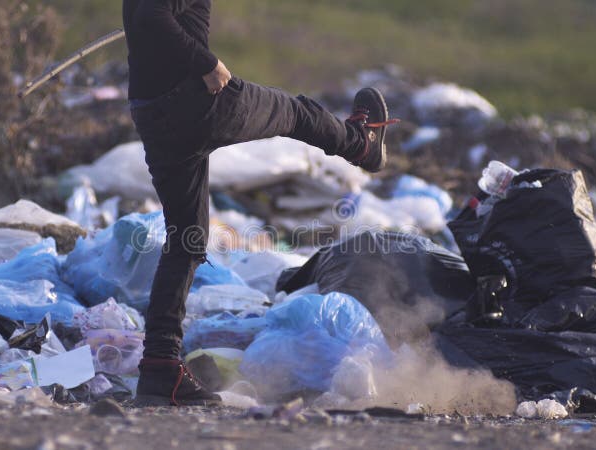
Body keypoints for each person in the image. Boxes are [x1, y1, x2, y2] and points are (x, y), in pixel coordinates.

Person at [124, 0, 398, 407]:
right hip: (196, 102)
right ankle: (361, 144)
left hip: (151, 113)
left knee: (186, 240)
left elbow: (148, 17)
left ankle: (160, 370)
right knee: (296, 112)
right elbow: (152, 15)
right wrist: (208, 63)